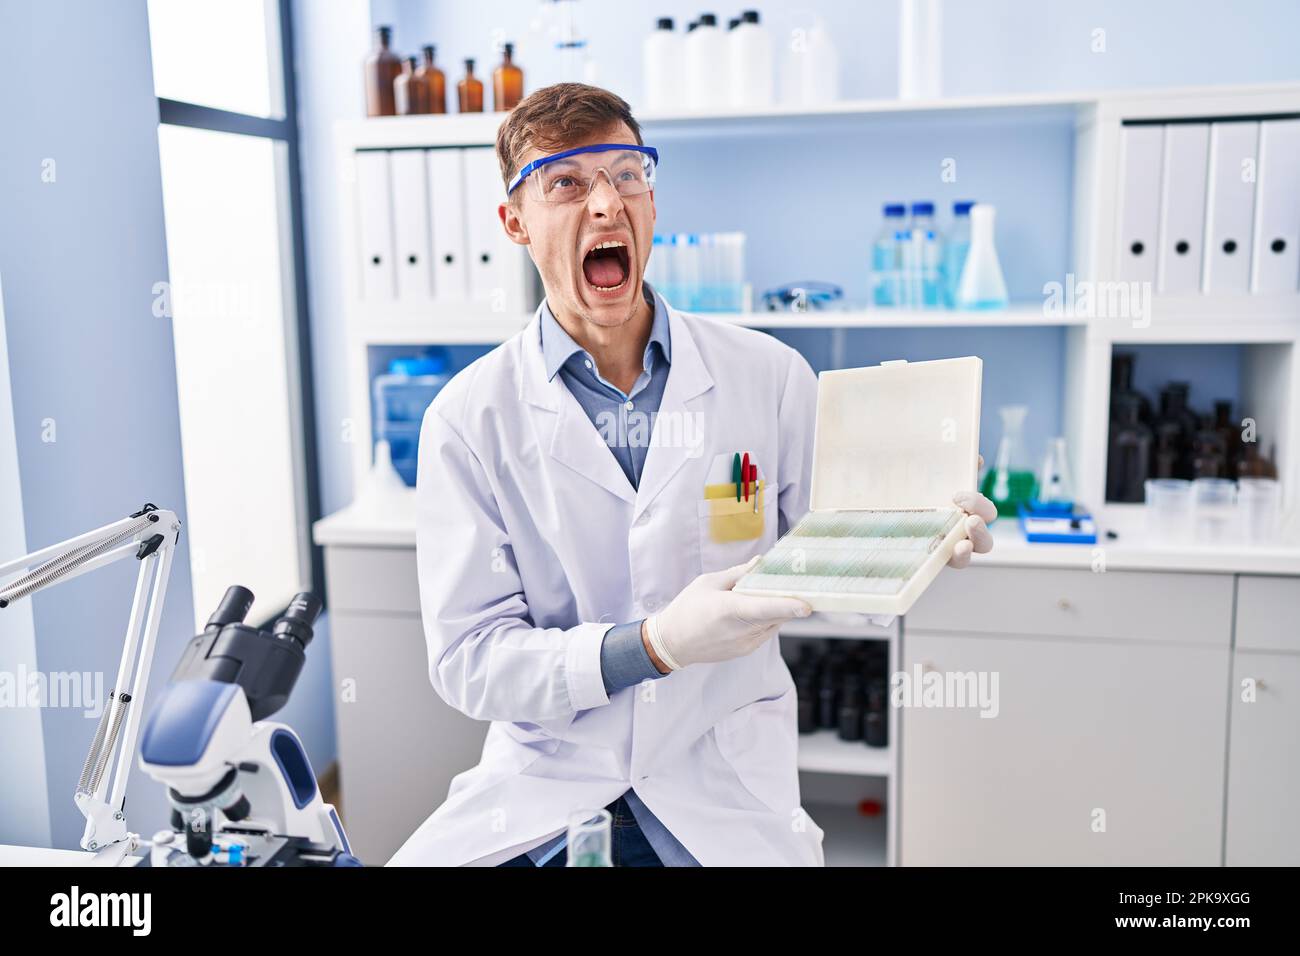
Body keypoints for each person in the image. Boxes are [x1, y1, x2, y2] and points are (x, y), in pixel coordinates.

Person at [387, 83, 995, 867]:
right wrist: (651, 644)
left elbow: (846, 569)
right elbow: (470, 661)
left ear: (651, 200)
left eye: (627, 175)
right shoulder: (468, 419)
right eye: (567, 182)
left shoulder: (768, 374)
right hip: (548, 789)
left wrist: (921, 531)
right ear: (514, 222)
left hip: (724, 787)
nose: (606, 204)